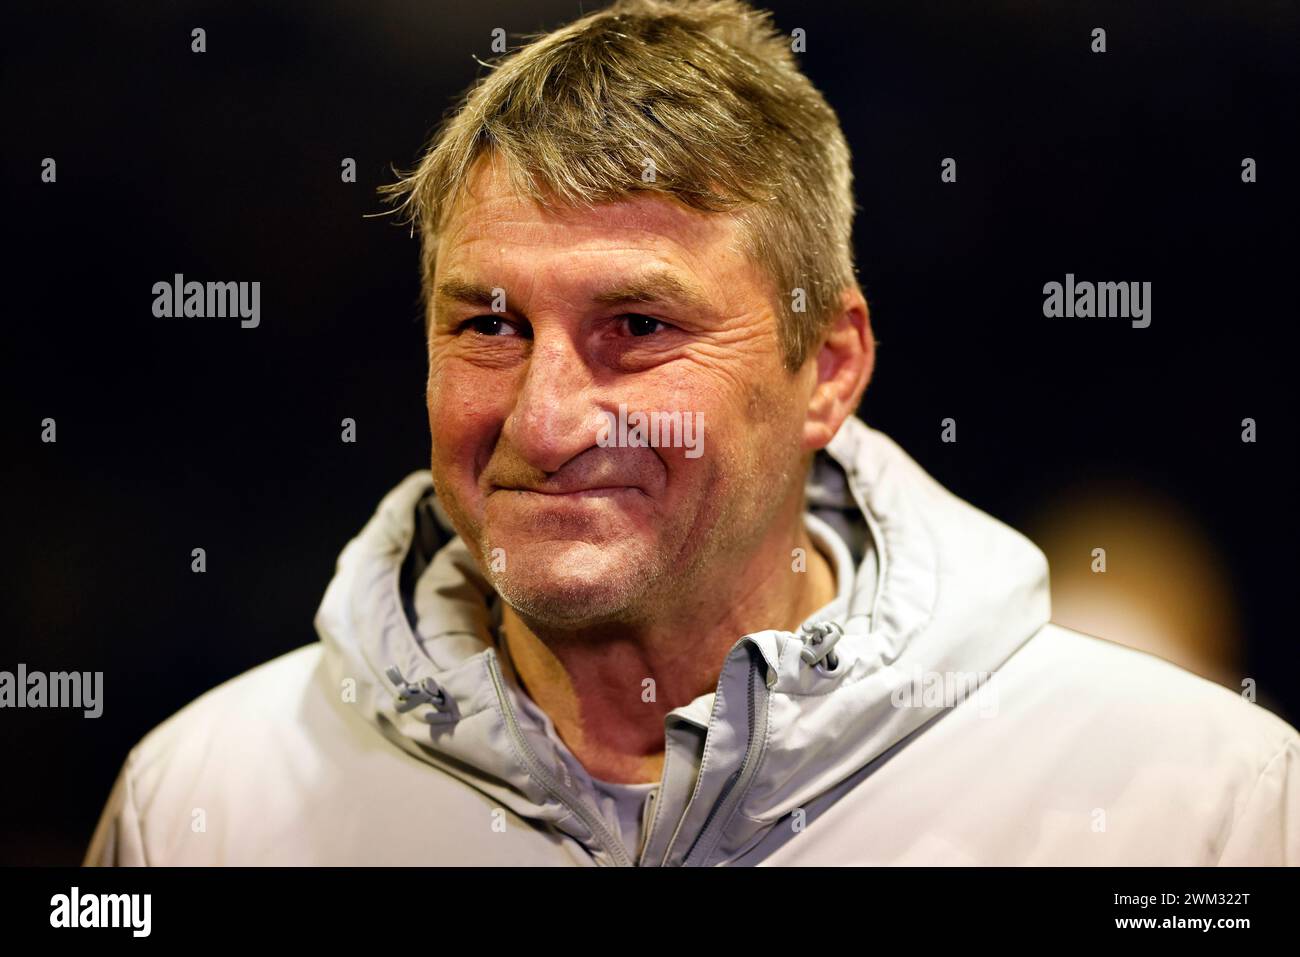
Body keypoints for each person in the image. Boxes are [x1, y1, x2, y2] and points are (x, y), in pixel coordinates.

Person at [86, 0, 1297, 866]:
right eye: (489, 327)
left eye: (638, 324)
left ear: (826, 367)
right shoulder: (203, 801)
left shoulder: (1204, 806)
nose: (546, 419)